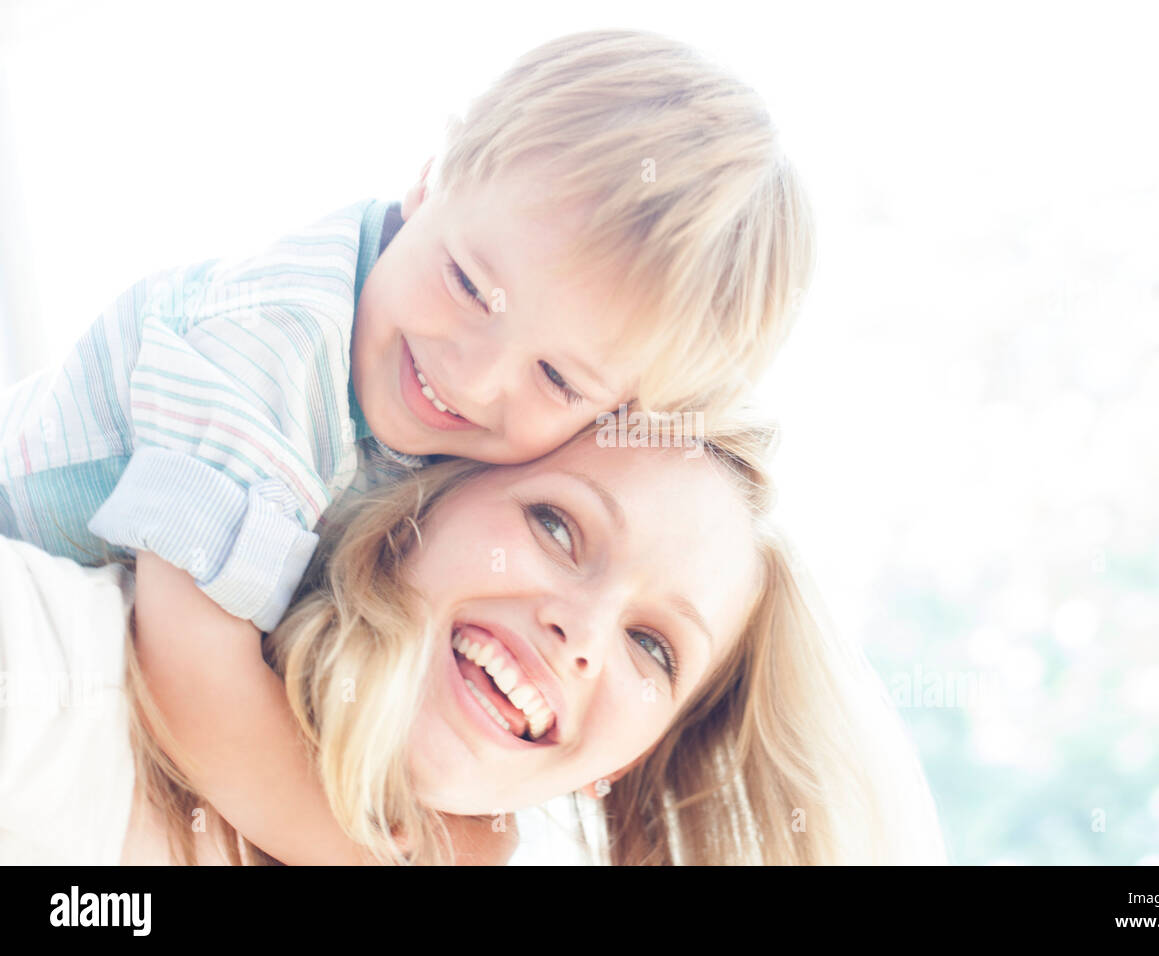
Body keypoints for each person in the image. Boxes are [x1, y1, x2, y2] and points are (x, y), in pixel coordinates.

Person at [0, 30, 813, 864]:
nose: (474, 374)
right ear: (430, 182)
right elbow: (189, 682)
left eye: (557, 380)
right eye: (467, 284)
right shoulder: (269, 349)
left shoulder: (446, 434)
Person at [0, 421, 947, 865]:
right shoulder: (49, 672)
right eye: (558, 526)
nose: (579, 632)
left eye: (653, 648)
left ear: (635, 757)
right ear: (425, 501)